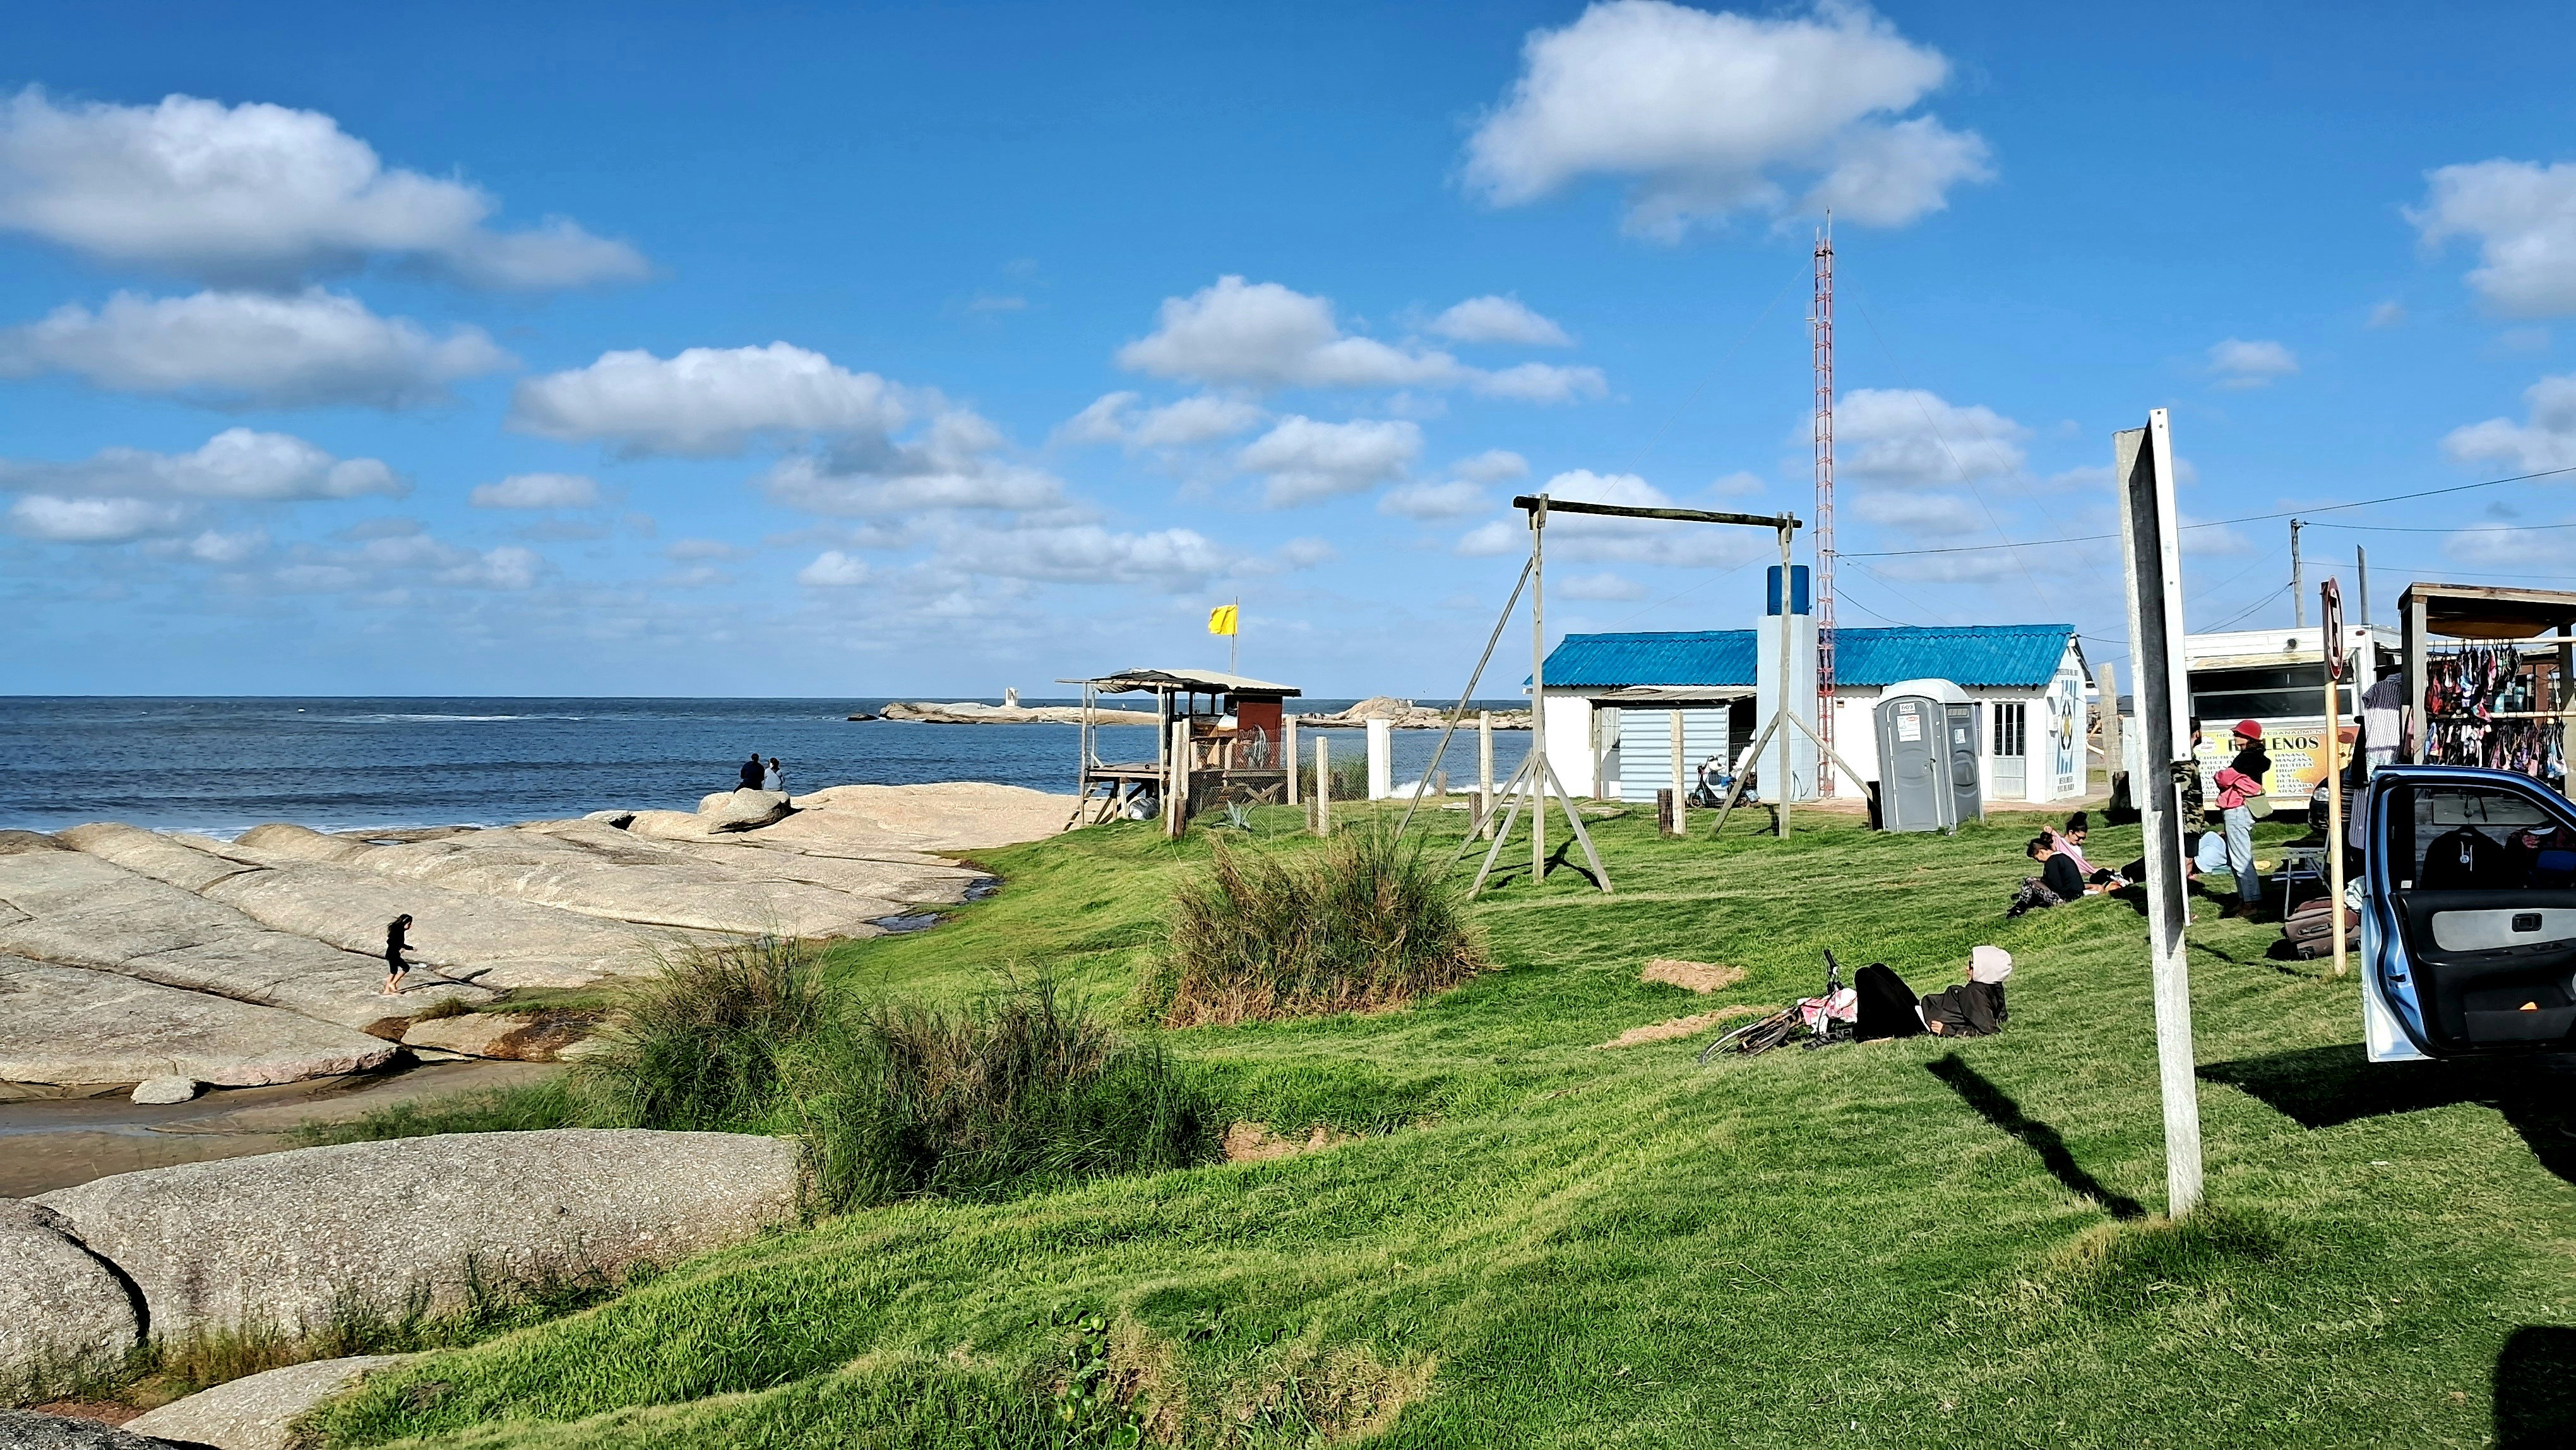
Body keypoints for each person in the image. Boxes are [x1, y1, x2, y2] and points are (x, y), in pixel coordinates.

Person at [2214, 720, 2270, 918]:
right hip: (2241, 810)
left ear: (2248, 738)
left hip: (2237, 810)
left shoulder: (2246, 757)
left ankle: (2251, 902)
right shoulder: (2255, 757)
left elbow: (2223, 778)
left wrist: (2222, 775)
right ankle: (2245, 899)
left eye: (2238, 733)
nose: (2235, 736)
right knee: (2238, 857)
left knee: (2241, 858)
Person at [1923, 945, 2012, 1036]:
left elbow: (1986, 1030)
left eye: (1971, 965)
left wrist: (1946, 1030)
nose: (1967, 968)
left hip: (1925, 1014)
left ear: (1984, 969)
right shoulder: (1994, 987)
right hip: (1929, 1007)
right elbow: (2001, 1018)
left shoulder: (1976, 992)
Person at [381, 913, 414, 995]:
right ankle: (393, 983)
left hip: (391, 954)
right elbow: (392, 941)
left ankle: (387, 990)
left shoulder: (399, 931)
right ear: (404, 923)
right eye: (409, 924)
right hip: (393, 955)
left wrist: (402, 947)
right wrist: (408, 948)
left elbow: (395, 942)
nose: (410, 926)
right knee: (406, 968)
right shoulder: (398, 932)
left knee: (393, 972)